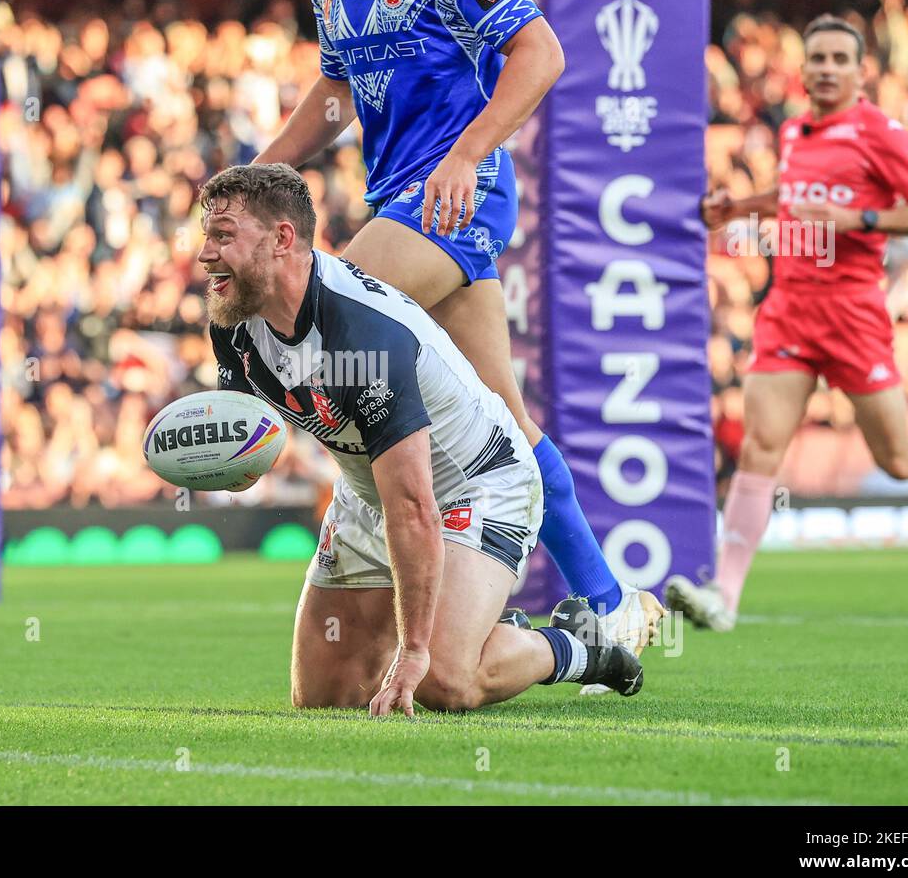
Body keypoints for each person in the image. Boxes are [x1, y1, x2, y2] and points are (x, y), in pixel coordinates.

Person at [254, 0, 663, 658]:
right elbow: (335, 92)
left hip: (458, 197)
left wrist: (467, 155)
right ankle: (607, 604)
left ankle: (396, 583)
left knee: (327, 321)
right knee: (504, 410)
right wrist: (257, 174)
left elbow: (540, 52)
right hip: (402, 204)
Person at [200, 163, 644, 714]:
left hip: (476, 482)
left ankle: (576, 646)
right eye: (206, 236)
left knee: (443, 681)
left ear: (282, 240)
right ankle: (473, 614)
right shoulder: (232, 320)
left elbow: (414, 509)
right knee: (324, 698)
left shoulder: (363, 337)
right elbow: (249, 425)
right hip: (370, 487)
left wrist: (414, 651)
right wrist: (234, 463)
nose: (205, 254)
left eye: (223, 237)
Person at [668, 15, 908, 631]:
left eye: (840, 59)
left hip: (854, 315)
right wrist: (739, 207)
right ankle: (724, 598)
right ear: (804, 68)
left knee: (902, 462)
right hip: (790, 308)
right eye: (818, 58)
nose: (828, 69)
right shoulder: (794, 130)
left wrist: (860, 221)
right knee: (760, 449)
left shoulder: (881, 133)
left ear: (861, 71)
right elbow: (795, 198)